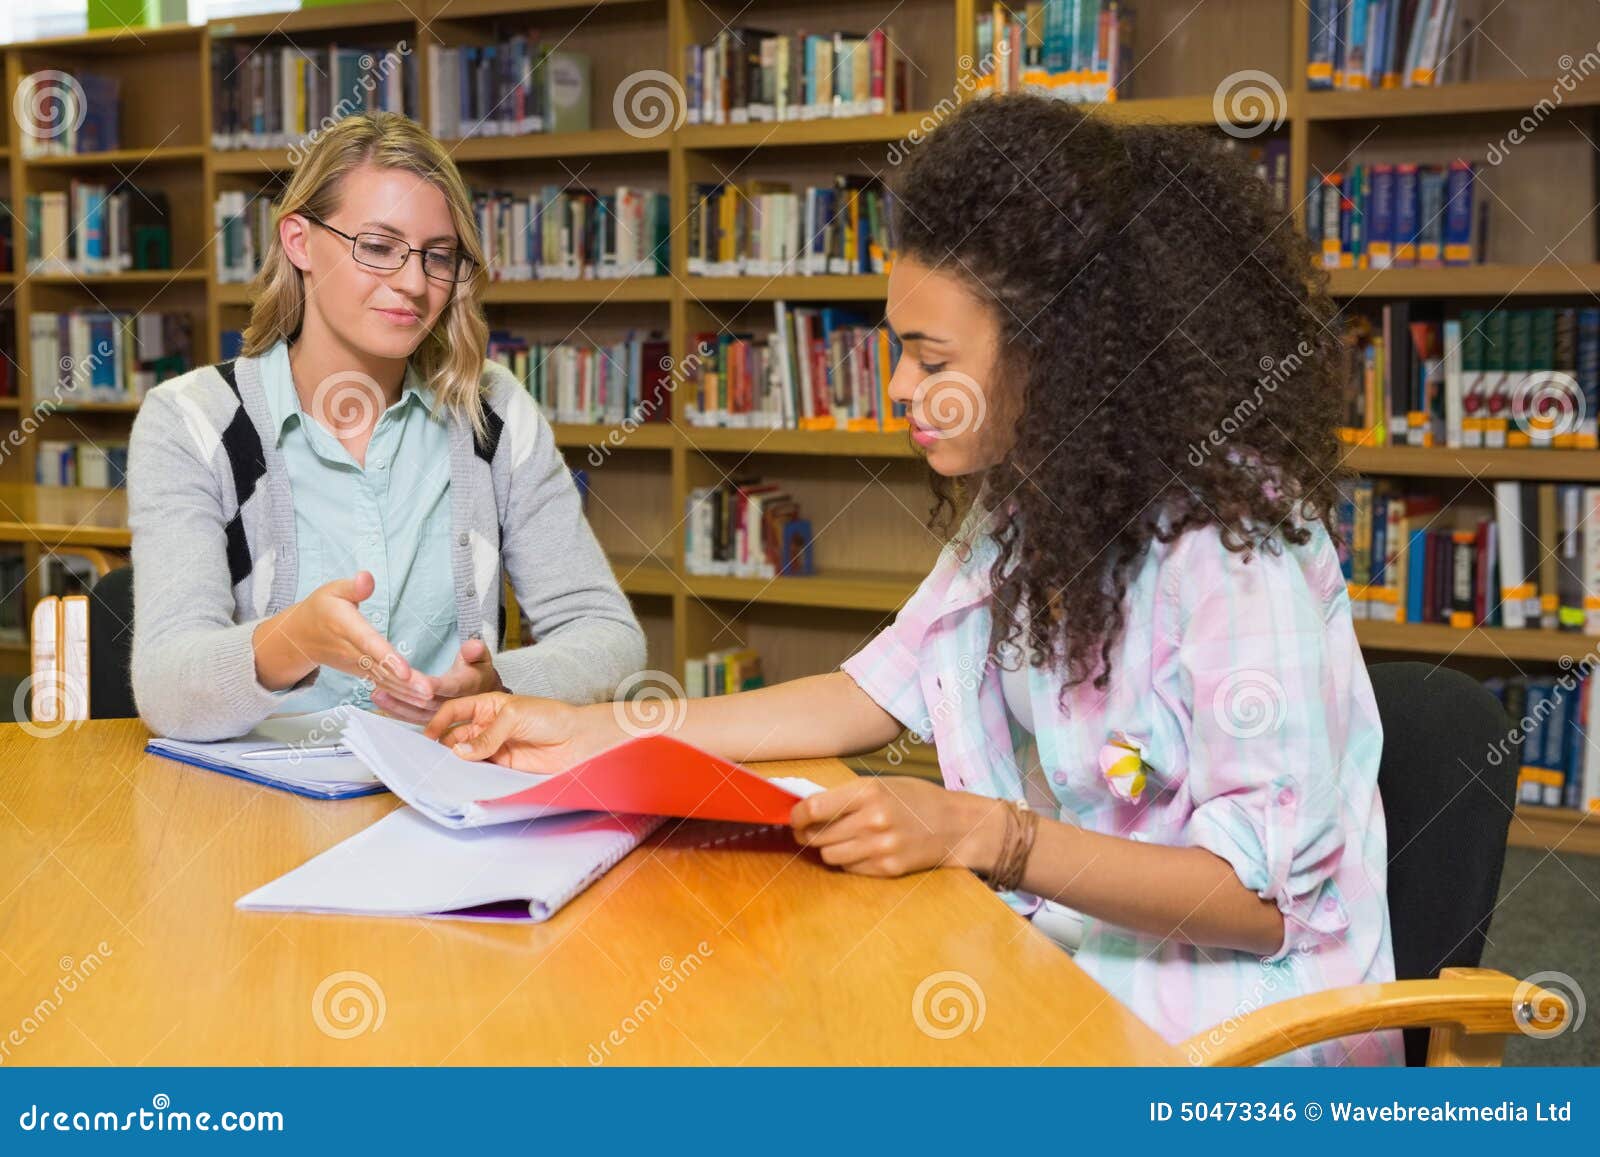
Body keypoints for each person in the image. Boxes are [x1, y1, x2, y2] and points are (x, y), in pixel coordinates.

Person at [423, 95, 1401, 1066]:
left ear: (1055, 359)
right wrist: (592, 731)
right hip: (1072, 968)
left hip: (1244, 1038)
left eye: (927, 355)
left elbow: (1259, 904)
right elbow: (867, 691)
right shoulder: (1031, 499)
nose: (894, 386)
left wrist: (991, 834)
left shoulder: (1236, 549)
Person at [128, 112, 644, 741]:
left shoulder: (495, 413)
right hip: (257, 808)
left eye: (438, 257)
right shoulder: (191, 421)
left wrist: (500, 684)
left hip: (446, 790)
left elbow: (608, 635)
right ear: (298, 241)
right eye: (377, 247)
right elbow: (164, 687)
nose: (411, 284)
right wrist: (293, 639)